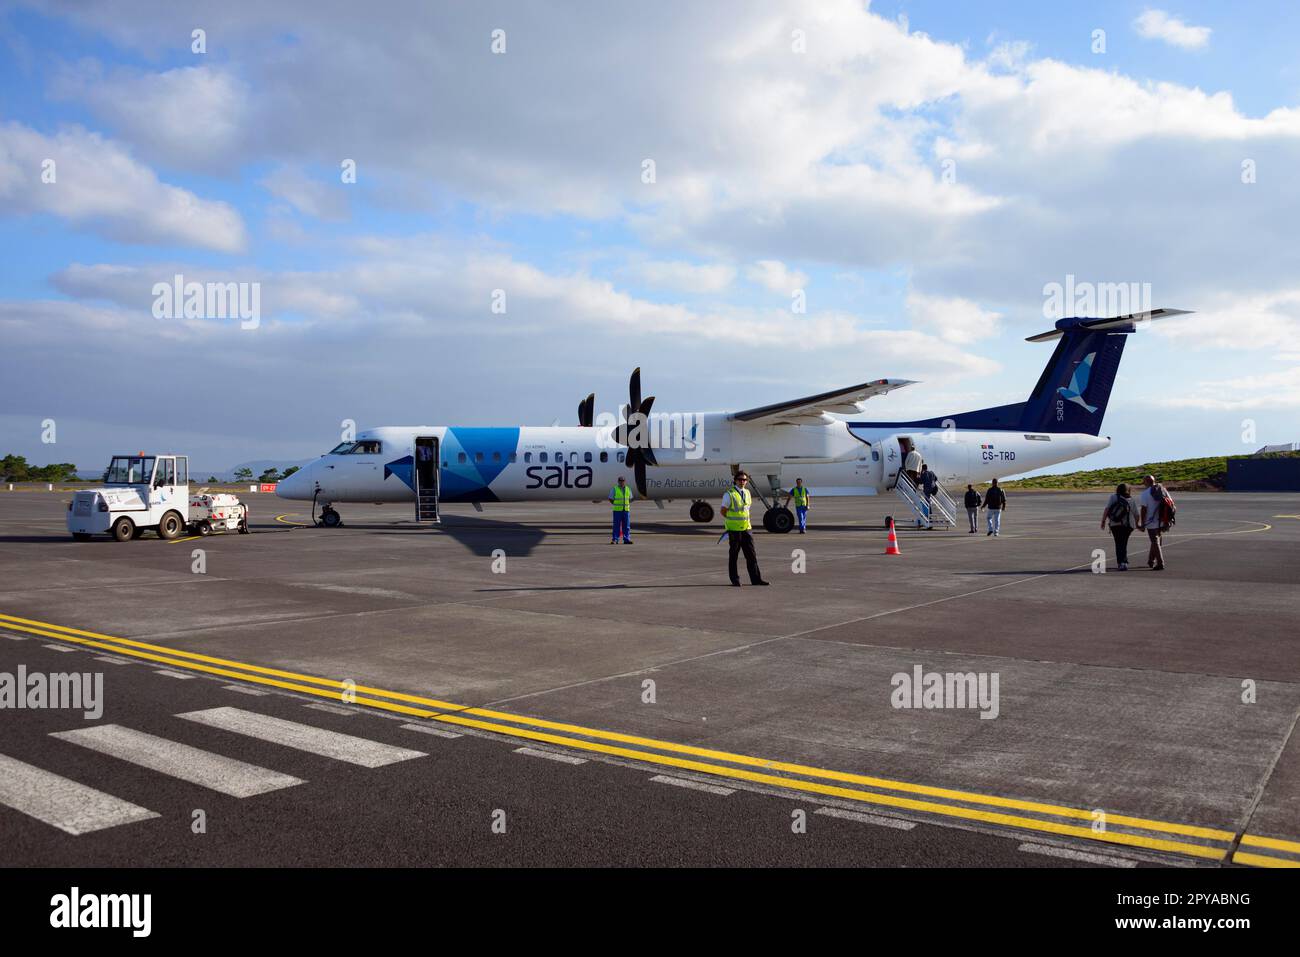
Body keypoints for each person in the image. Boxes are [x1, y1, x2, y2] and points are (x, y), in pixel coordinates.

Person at [721, 471, 768, 586]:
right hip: (734, 530)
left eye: (744, 480)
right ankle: (735, 580)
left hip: (747, 529)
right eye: (740, 479)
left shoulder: (747, 492)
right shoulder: (729, 494)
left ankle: (756, 579)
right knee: (734, 556)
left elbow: (746, 510)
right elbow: (723, 511)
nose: (742, 482)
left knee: (751, 555)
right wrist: (732, 522)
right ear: (735, 480)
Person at [1100, 482, 1140, 571]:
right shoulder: (1131, 499)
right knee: (1124, 543)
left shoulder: (1113, 497)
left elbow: (1107, 509)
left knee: (1118, 543)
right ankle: (1124, 562)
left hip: (1115, 525)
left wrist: (1103, 521)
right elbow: (1137, 514)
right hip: (1128, 526)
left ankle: (1121, 563)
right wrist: (1137, 524)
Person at [1138, 474, 1169, 570]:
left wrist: (1143, 523)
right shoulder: (1162, 489)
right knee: (1156, 540)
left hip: (1151, 522)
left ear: (1146, 482)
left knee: (1155, 541)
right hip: (1162, 520)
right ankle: (1151, 560)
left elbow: (1143, 509)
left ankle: (1160, 563)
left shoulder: (1145, 494)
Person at [608, 475, 633, 544]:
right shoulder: (614, 489)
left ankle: (626, 539)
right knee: (616, 525)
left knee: (627, 526)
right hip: (617, 510)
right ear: (618, 482)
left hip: (626, 510)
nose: (621, 482)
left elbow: (630, 498)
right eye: (620, 481)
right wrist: (616, 504)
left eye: (623, 481)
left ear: (625, 482)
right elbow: (610, 498)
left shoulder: (628, 489)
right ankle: (615, 539)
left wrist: (626, 504)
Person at [918, 462, 938, 528]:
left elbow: (921, 481)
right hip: (932, 488)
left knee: (927, 502)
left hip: (927, 489)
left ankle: (929, 515)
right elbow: (936, 478)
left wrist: (920, 475)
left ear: (923, 469)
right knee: (928, 501)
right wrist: (932, 482)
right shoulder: (931, 472)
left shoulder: (924, 473)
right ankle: (930, 514)